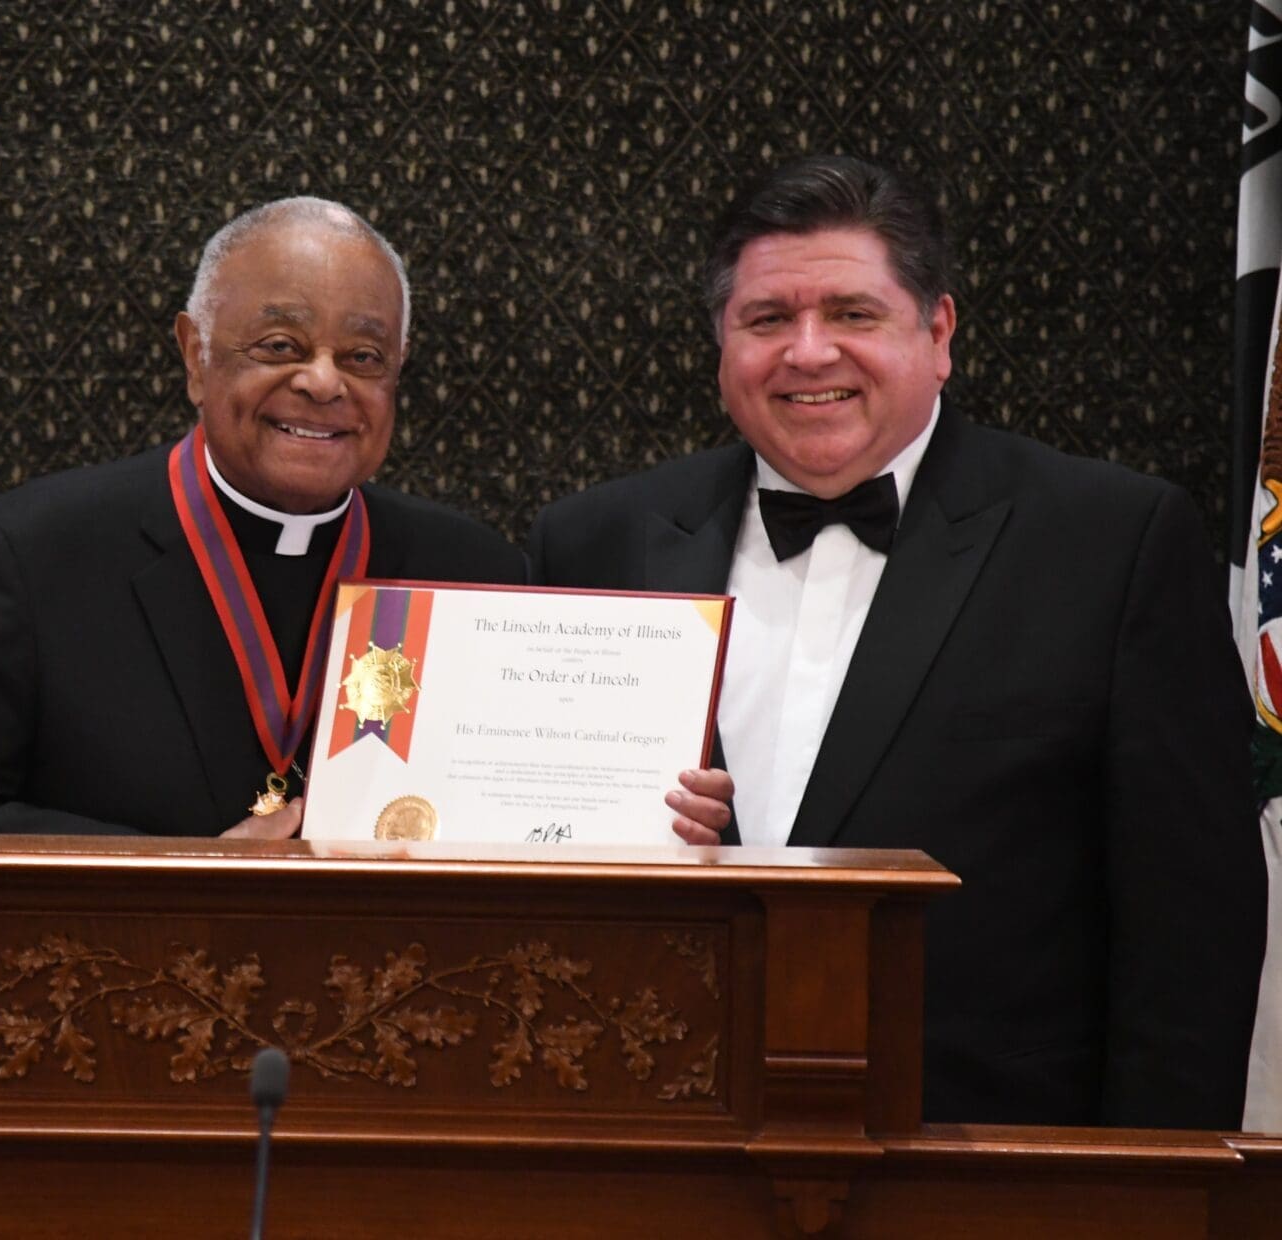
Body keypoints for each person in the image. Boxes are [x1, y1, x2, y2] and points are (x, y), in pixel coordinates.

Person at [529, 154, 1264, 1129]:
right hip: (646, 1147)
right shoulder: (593, 542)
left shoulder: (1109, 542)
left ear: (938, 332)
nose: (805, 351)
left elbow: (1191, 932)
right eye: (764, 320)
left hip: (985, 1169)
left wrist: (1147, 1193)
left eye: (850, 314)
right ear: (718, 347)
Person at [0, 197, 733, 839]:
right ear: (194, 355)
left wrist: (655, 817)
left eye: (363, 355)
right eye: (279, 346)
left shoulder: (473, 571)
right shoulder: (32, 555)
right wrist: (188, 873)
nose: (321, 381)